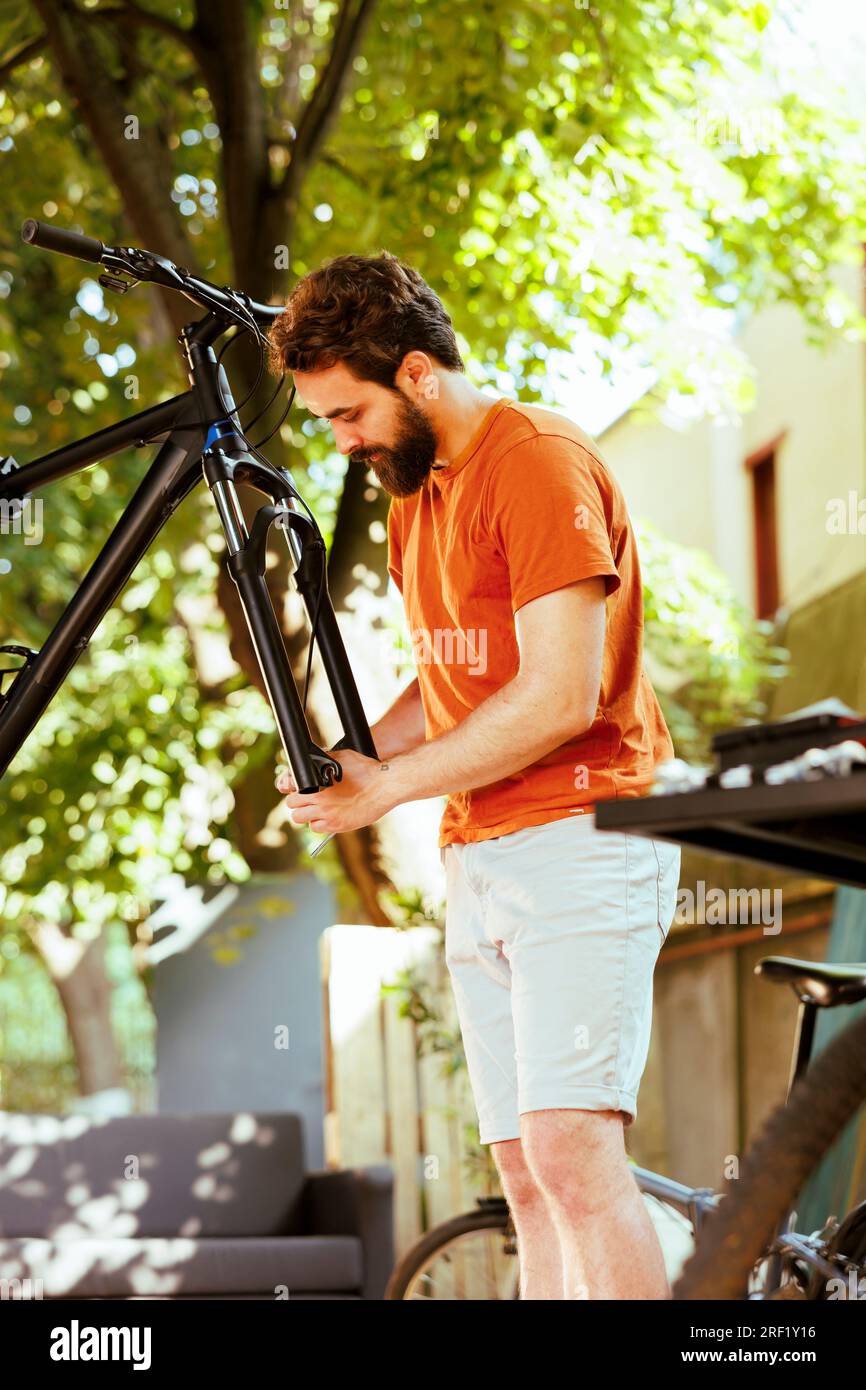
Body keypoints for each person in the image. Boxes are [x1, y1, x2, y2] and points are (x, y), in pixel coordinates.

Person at [267, 251, 681, 1300]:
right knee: (526, 1174)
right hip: (479, 849)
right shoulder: (420, 499)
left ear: (415, 375)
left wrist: (388, 788)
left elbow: (556, 695)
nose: (343, 442)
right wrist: (357, 758)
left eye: (346, 414)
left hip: (589, 833)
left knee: (573, 1155)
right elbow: (452, 679)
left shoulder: (534, 459)